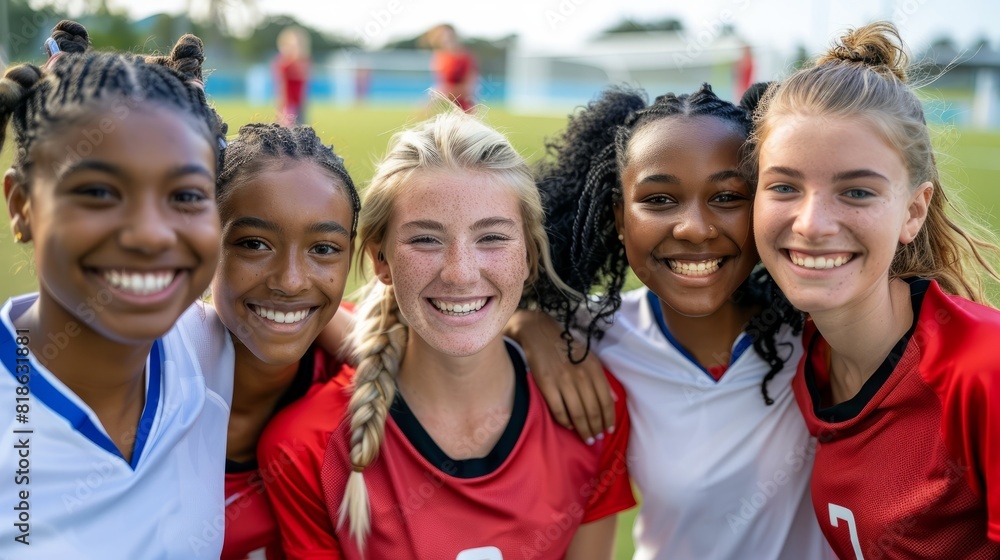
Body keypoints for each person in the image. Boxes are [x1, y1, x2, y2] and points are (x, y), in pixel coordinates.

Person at [258, 106, 635, 558]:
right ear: (381, 260)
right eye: (426, 239)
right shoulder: (308, 446)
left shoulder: (591, 413)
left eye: (492, 238)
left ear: (531, 256)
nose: (460, 274)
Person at [505, 83, 834, 559]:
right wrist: (523, 323)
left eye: (727, 197)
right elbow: (427, 314)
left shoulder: (820, 328)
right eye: (659, 200)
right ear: (619, 217)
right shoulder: (593, 335)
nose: (695, 228)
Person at [750, 22, 1000, 558]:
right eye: (784, 187)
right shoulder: (801, 356)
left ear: (914, 211)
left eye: (857, 191)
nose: (812, 224)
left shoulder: (985, 370)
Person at [0, 20, 233, 558]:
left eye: (186, 195)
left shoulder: (210, 346)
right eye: (100, 191)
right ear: (21, 206)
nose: (150, 234)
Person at [215, 123, 360, 559]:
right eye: (255, 244)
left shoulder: (356, 362)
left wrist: (540, 331)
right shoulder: (141, 380)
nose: (291, 282)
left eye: (324, 249)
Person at [426, 23, 477, 112]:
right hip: (442, 108)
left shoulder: (464, 58)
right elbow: (441, 83)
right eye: (442, 36)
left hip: (462, 108)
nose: (445, 39)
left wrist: (443, 93)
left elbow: (468, 88)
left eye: (448, 36)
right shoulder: (439, 56)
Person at [274, 26, 310, 127]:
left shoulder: (304, 62)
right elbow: (282, 88)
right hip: (289, 105)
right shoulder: (285, 64)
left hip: (299, 104)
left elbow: (303, 84)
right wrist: (282, 107)